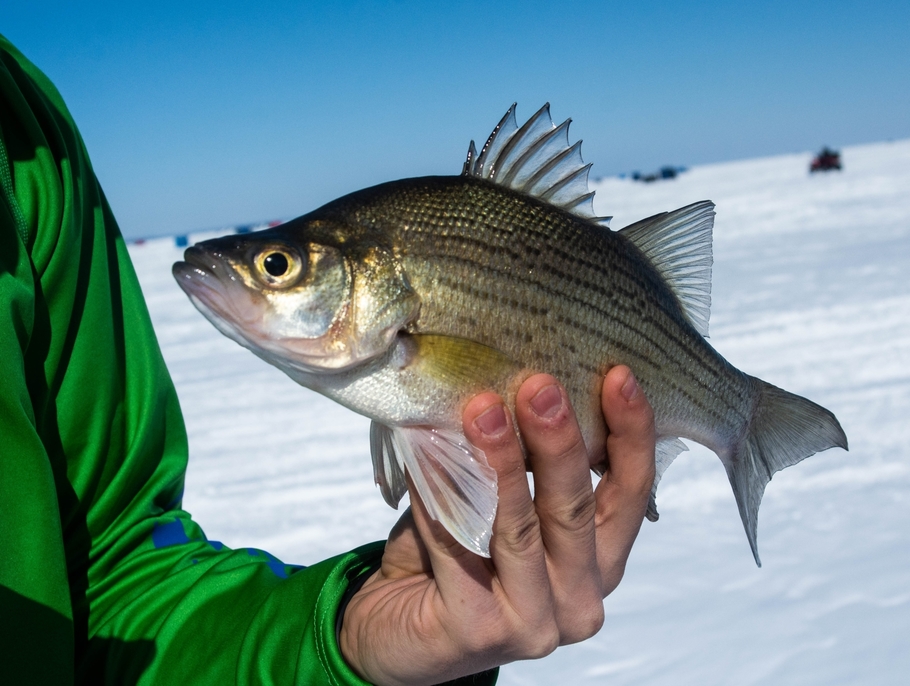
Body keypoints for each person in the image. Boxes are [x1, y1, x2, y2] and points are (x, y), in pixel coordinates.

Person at [0, 34, 656, 685]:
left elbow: (112, 572)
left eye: (277, 266)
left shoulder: (28, 139)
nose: (259, 274)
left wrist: (345, 647)